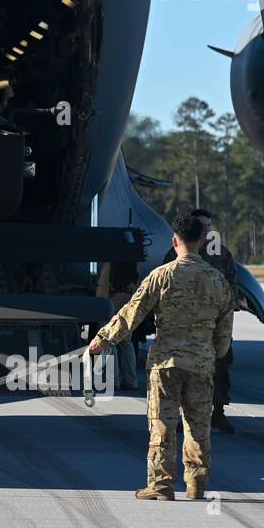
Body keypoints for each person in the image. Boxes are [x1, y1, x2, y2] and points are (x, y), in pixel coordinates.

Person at [89, 214, 232, 501]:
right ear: (202, 241)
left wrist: (103, 339)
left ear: (175, 241)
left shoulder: (162, 275)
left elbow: (132, 312)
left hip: (166, 363)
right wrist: (210, 354)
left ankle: (162, 485)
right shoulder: (218, 280)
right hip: (201, 363)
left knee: (162, 424)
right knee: (199, 426)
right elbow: (224, 333)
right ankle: (197, 484)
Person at [162, 208, 239, 433]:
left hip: (213, 326)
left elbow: (232, 285)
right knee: (178, 371)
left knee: (221, 367)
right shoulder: (175, 254)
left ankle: (219, 412)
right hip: (183, 326)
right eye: (202, 226)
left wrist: (226, 311)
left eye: (208, 226)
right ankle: (178, 416)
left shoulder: (221, 255)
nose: (206, 231)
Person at [96, 262, 141, 390]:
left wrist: (99, 303)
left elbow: (103, 285)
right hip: (128, 305)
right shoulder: (135, 263)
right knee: (127, 343)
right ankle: (131, 380)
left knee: (109, 343)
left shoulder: (110, 263)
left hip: (112, 305)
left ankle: (113, 380)